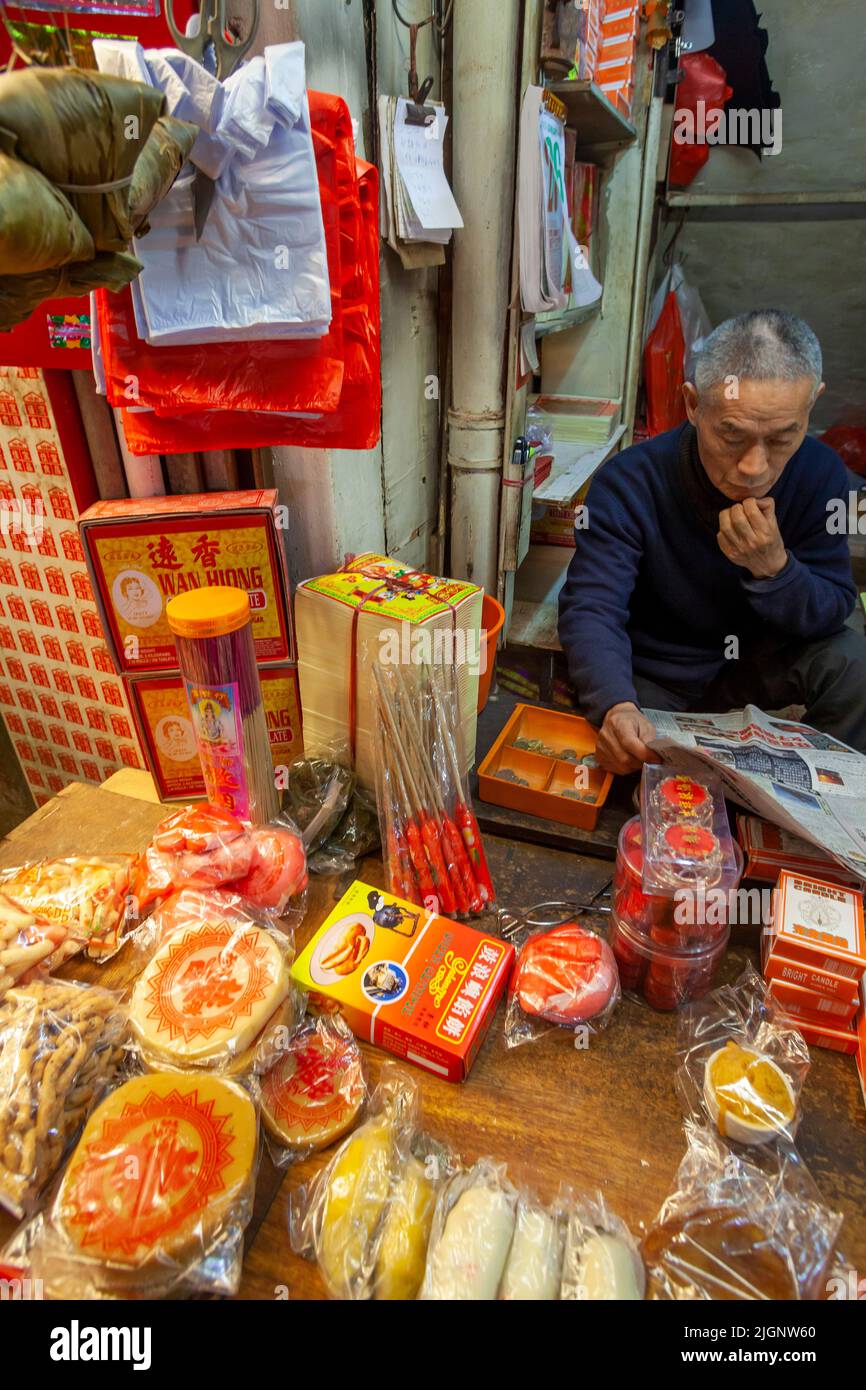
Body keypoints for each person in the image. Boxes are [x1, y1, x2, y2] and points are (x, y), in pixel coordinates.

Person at [557, 310, 865, 771]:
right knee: (616, 745)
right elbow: (592, 606)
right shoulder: (631, 482)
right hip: (656, 674)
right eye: (732, 436)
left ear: (811, 406)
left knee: (853, 664)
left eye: (783, 437)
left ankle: (824, 801)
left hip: (754, 668)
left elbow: (834, 606)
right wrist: (616, 705)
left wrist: (776, 570)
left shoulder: (819, 475)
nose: (754, 467)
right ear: (693, 404)